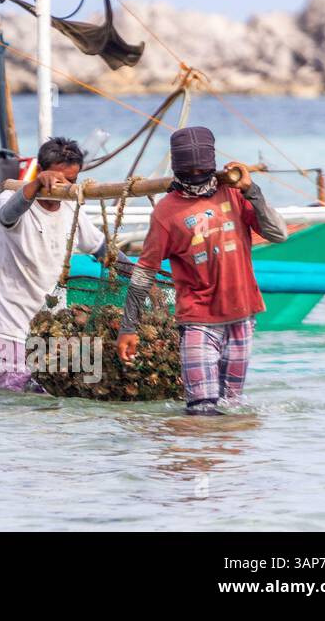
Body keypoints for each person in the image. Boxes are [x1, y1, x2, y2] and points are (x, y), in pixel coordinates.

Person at [117, 126, 288, 415]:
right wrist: (128, 327)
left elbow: (278, 233)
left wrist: (251, 190)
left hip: (242, 317)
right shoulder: (167, 212)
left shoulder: (233, 194)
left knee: (232, 409)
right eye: (190, 174)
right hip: (198, 320)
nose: (197, 179)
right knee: (201, 411)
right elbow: (144, 273)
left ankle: (225, 459)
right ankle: (193, 457)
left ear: (212, 167)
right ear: (177, 171)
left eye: (202, 172)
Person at [0, 137, 130, 391]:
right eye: (58, 179)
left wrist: (140, 276)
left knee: (54, 402)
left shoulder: (70, 210)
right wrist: (36, 186)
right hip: (10, 329)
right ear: (42, 172)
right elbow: (9, 215)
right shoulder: (9, 197)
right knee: (8, 403)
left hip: (53, 329)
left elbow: (102, 249)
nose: (65, 187)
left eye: (72, 181)